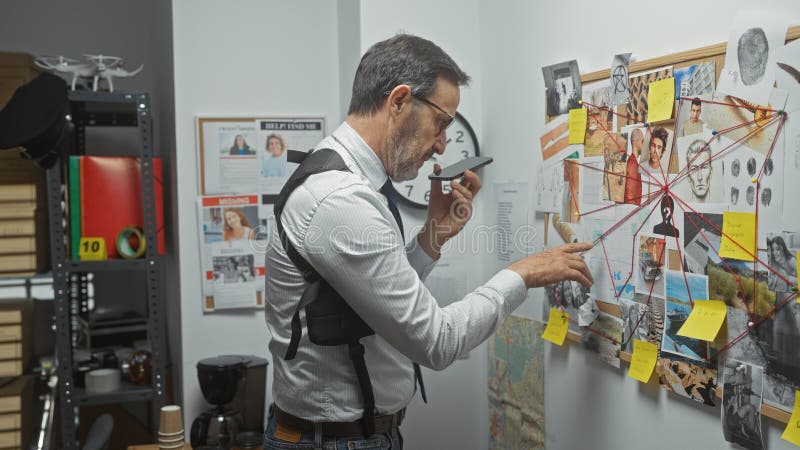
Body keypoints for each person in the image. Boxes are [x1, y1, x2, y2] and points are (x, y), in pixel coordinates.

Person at [264, 34, 593, 449]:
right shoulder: (340, 200)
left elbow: (376, 299)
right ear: (399, 101)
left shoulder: (345, 179)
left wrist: (432, 236)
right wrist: (521, 274)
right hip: (332, 441)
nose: (441, 144)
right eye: (441, 123)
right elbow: (436, 342)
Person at [624, 127, 644, 205]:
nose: (643, 145)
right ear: (636, 142)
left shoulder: (633, 162)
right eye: (642, 141)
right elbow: (630, 196)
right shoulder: (632, 164)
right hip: (631, 211)